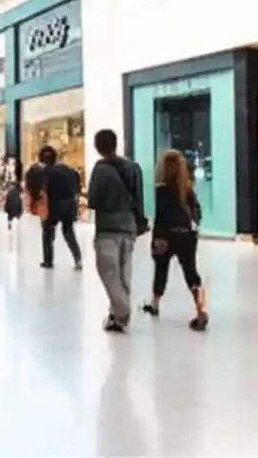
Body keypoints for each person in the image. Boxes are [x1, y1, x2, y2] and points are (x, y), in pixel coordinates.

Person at [140, 149, 207, 331]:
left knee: (161, 269)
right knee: (191, 272)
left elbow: (162, 216)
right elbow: (197, 213)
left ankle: (155, 303)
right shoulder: (187, 187)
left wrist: (157, 238)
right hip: (186, 235)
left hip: (166, 234)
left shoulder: (161, 189)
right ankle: (201, 309)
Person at [87, 129, 146, 332]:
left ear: (97, 146)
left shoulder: (100, 169)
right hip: (128, 226)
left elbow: (93, 200)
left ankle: (122, 310)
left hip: (107, 227)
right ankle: (117, 318)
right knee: (123, 273)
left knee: (108, 272)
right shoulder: (133, 168)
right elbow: (139, 199)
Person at [37, 145, 83, 271]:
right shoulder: (66, 169)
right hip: (69, 204)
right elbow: (76, 186)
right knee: (68, 232)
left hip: (53, 205)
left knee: (47, 232)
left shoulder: (45, 172)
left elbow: (43, 191)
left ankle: (48, 261)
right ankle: (77, 258)